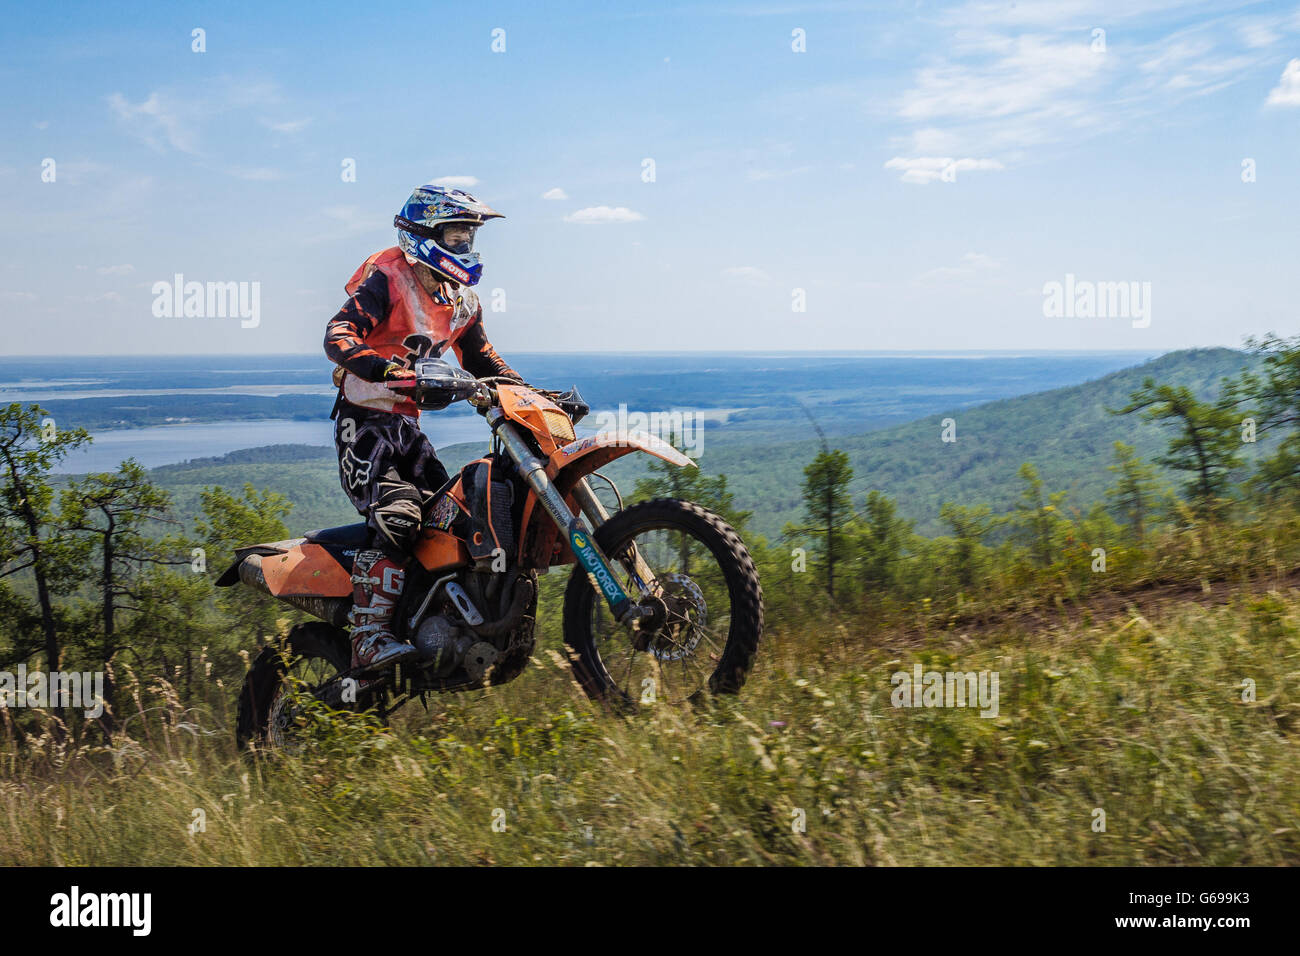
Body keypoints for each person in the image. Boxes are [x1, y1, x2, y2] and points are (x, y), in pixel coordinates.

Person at [323, 183, 521, 671]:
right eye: (456, 236)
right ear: (425, 233)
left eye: (469, 238)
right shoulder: (389, 278)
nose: (465, 247)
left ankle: (429, 621)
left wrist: (527, 392)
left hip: (408, 429)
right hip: (364, 425)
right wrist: (386, 369)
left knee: (450, 520)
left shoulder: (461, 300)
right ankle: (367, 636)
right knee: (398, 515)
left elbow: (480, 358)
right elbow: (339, 334)